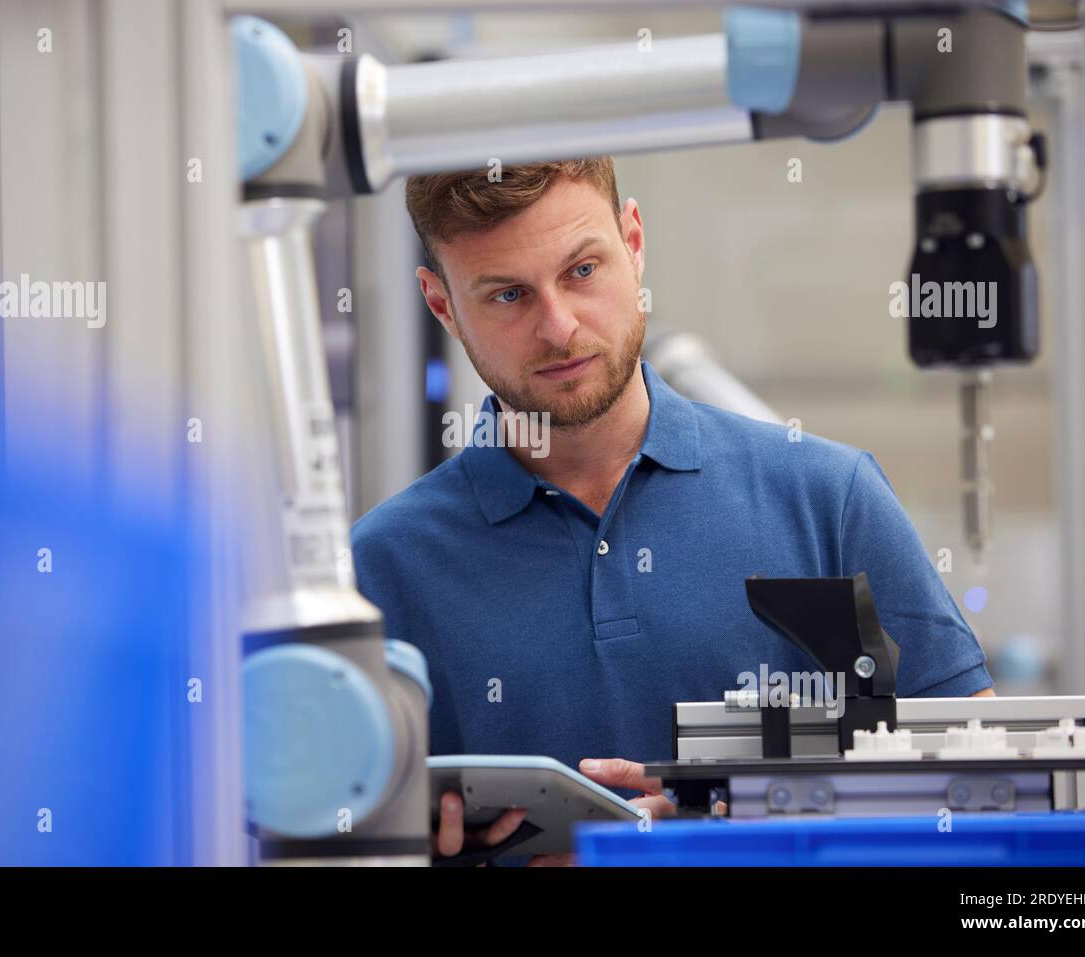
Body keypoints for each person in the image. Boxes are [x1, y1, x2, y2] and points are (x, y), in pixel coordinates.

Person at [351, 156, 995, 865]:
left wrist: (736, 830)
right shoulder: (380, 567)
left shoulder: (828, 499)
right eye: (508, 295)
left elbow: (991, 797)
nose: (560, 327)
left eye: (583, 270)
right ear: (441, 303)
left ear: (633, 243)